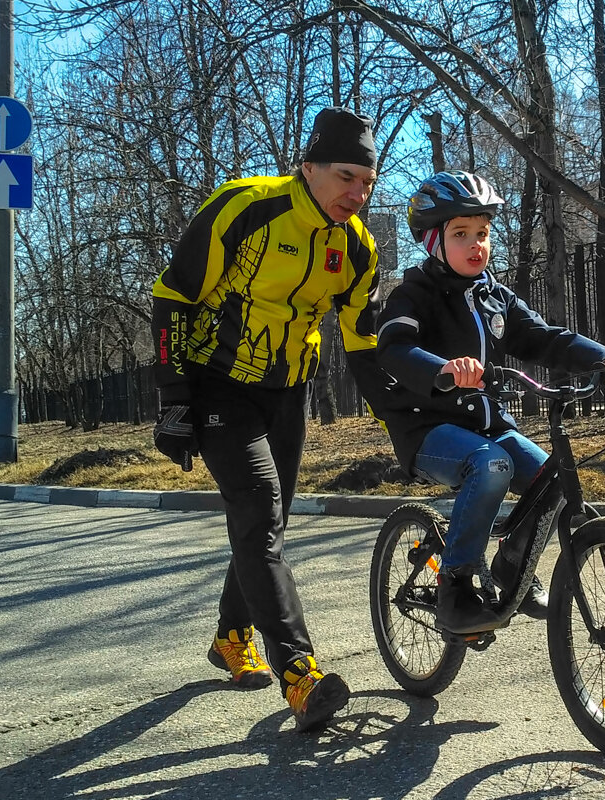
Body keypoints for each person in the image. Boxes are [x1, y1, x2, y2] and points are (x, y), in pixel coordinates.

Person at [150, 107, 389, 731]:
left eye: (367, 182)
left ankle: (232, 636)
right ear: (307, 168)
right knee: (258, 507)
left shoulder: (357, 246)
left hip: (287, 392)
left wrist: (399, 408)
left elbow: (362, 340)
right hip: (218, 387)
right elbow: (172, 294)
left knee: (267, 520)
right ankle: (300, 674)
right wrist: (174, 398)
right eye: (345, 177)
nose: (356, 194)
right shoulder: (246, 207)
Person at [374, 170, 605, 635]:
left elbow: (542, 337)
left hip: (486, 422)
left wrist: (604, 358)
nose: (476, 244)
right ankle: (456, 587)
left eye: (483, 233)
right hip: (425, 429)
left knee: (550, 480)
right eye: (461, 235)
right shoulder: (413, 294)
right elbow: (394, 349)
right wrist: (443, 369)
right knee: (492, 464)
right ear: (434, 241)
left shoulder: (494, 296)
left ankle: (511, 568)